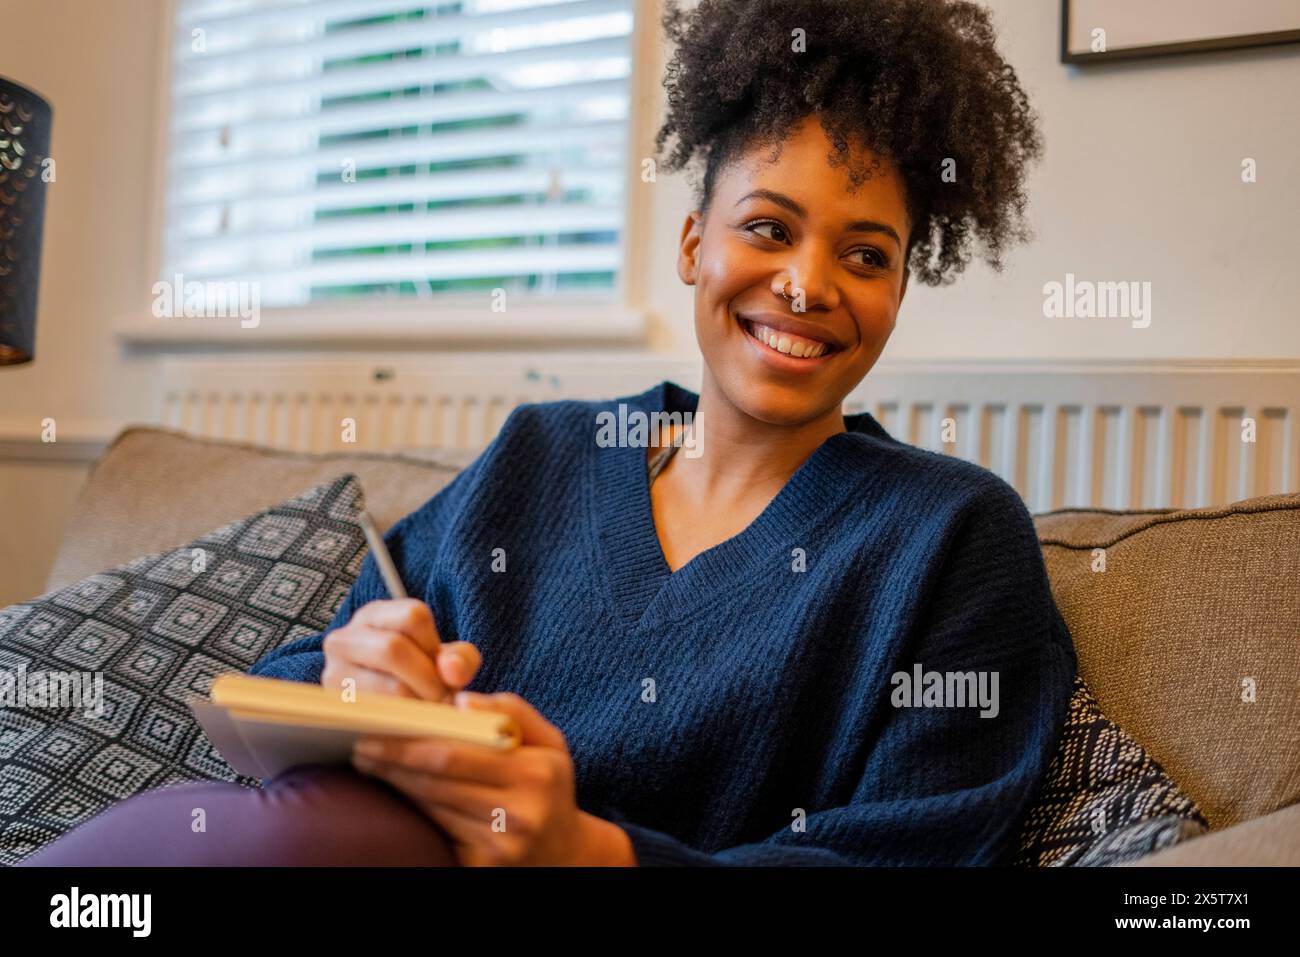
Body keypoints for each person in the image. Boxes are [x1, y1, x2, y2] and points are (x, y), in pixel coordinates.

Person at [22, 0, 1075, 867]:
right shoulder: (543, 456)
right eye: (767, 228)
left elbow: (908, 859)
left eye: (865, 254)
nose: (805, 285)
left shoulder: (951, 536)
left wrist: (588, 853)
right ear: (693, 244)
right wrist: (354, 680)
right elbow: (292, 687)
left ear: (900, 286)